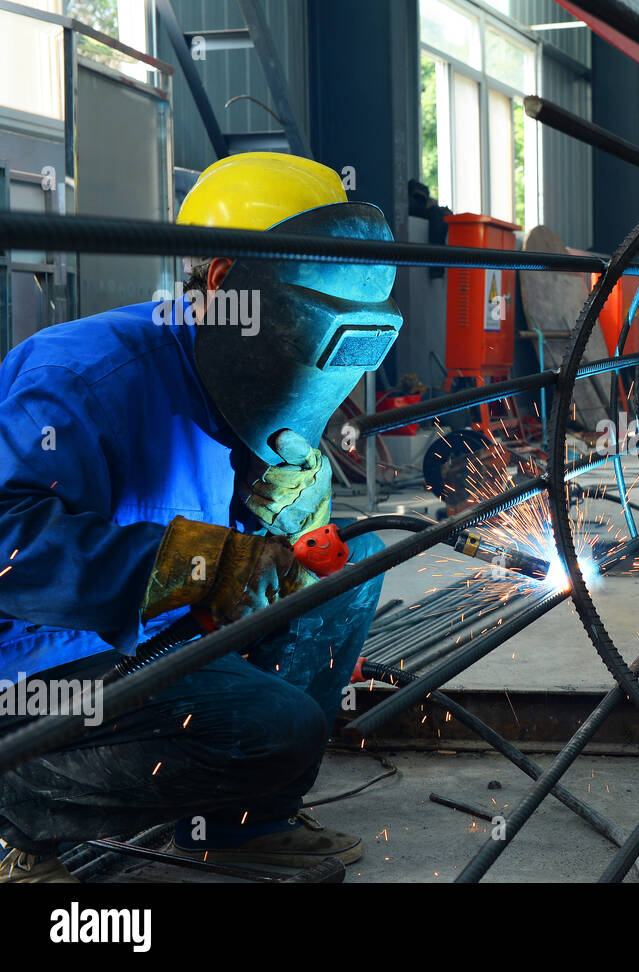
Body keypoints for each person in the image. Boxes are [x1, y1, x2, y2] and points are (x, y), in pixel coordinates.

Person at [0, 152, 402, 882]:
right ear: (223, 283)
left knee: (351, 566)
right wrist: (200, 567)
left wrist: (296, 501)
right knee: (272, 731)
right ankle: (26, 816)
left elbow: (273, 550)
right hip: (40, 665)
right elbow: (8, 538)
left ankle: (244, 823)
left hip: (165, 633)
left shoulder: (250, 370)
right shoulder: (80, 378)